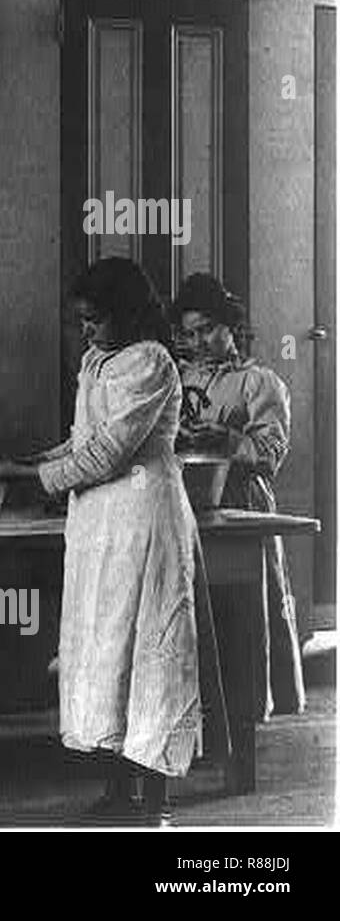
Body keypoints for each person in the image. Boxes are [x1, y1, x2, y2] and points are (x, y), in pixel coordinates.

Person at [0, 257, 203, 823]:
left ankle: (155, 803)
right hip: (98, 523)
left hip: (143, 519)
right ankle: (116, 792)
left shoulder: (152, 363)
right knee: (105, 654)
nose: (85, 330)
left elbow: (112, 453)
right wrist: (24, 462)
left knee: (150, 652)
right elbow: (83, 440)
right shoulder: (95, 361)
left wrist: (30, 480)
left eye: (95, 319)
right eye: (81, 319)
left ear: (129, 314)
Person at [173, 273, 306, 719]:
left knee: (241, 597)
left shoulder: (259, 383)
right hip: (189, 498)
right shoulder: (179, 375)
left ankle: (246, 704)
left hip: (240, 499)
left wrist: (227, 440)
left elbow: (270, 454)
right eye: (189, 333)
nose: (199, 341)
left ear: (230, 325)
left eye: (208, 328)